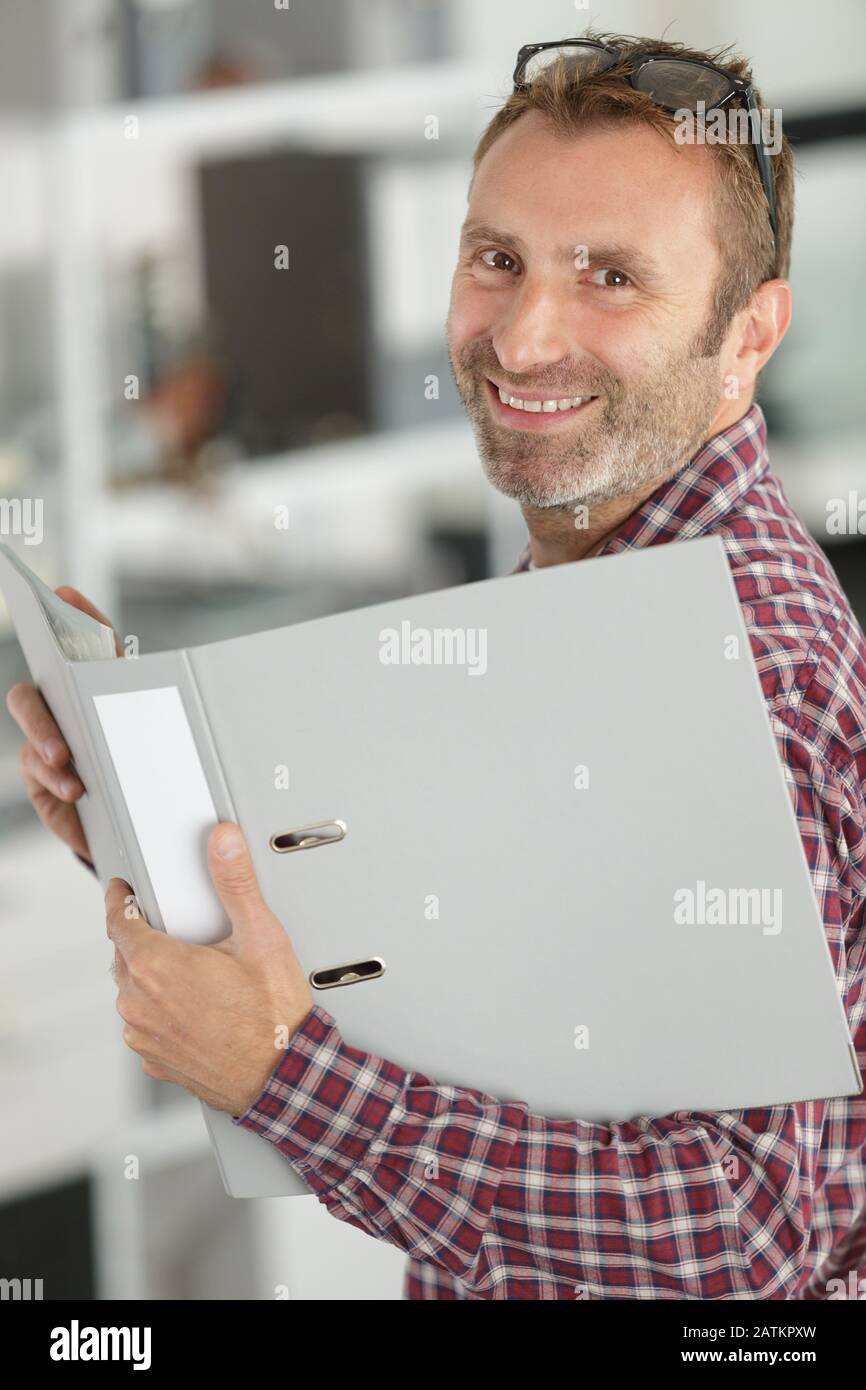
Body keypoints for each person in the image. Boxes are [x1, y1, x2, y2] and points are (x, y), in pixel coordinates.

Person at [7, 32, 865, 1300]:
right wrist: (147, 826)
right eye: (496, 259)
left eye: (610, 277)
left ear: (746, 336)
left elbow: (743, 1234)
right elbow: (475, 967)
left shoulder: (741, 673)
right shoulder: (600, 583)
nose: (521, 338)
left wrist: (279, 1079)